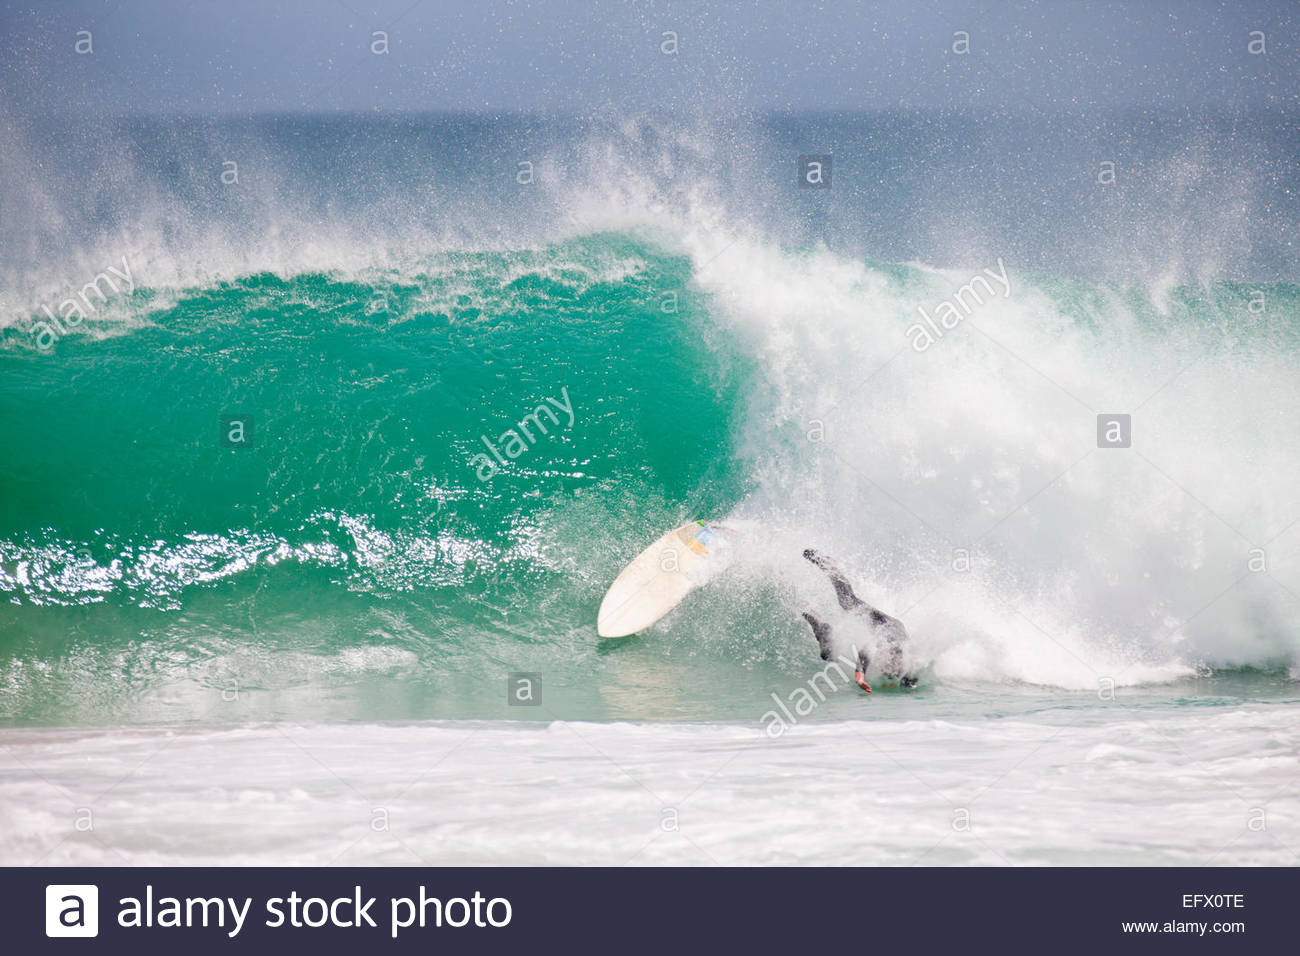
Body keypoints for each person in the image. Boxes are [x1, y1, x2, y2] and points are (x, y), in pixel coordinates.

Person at [800, 549, 917, 693]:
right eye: (884, 660)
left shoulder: (900, 669)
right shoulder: (895, 648)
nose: (879, 664)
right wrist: (860, 677)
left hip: (893, 645)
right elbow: (865, 652)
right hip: (886, 624)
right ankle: (830, 567)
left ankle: (822, 630)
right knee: (847, 603)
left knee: (829, 655)